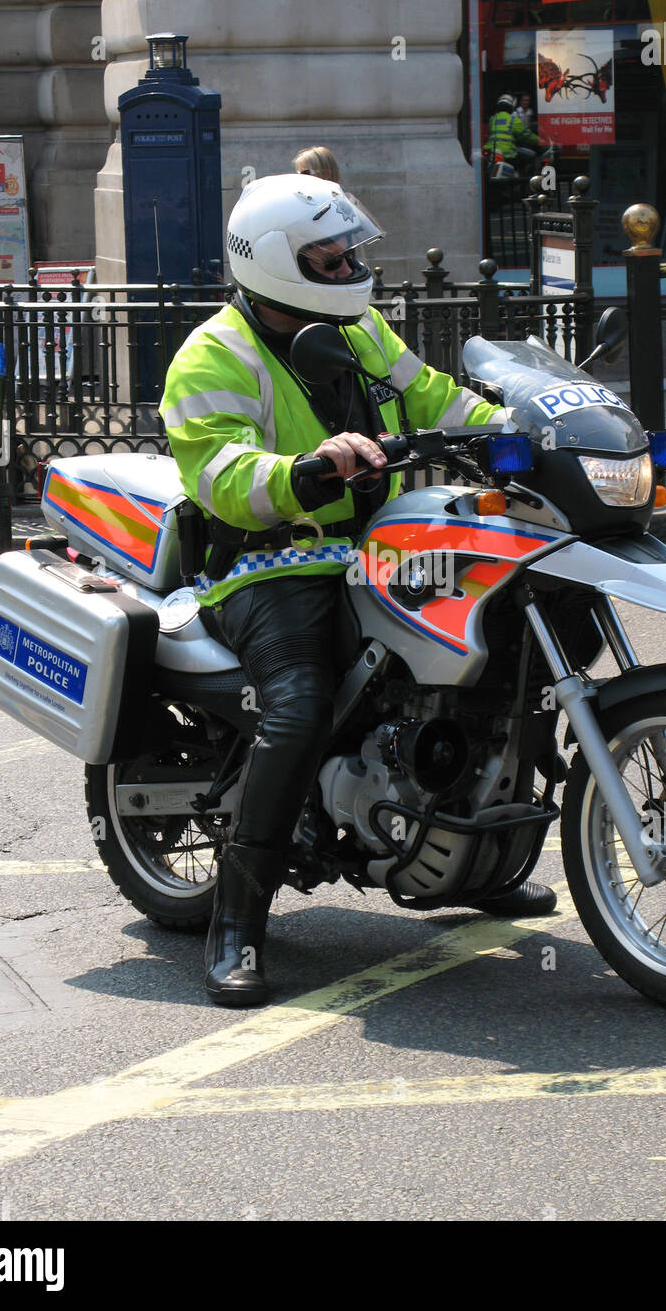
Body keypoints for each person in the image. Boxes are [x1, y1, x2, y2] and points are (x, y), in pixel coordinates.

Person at [161, 173, 557, 1008]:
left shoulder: (362, 328)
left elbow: (437, 398)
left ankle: (472, 850)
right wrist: (307, 468)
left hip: (375, 545)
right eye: (327, 258)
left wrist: (530, 425)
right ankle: (237, 919)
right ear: (271, 262)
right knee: (299, 704)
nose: (347, 269)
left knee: (500, 641)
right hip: (268, 562)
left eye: (349, 254)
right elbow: (222, 472)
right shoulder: (213, 354)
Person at [483, 93, 543, 174]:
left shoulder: (492, 119)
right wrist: (540, 141)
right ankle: (524, 181)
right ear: (511, 107)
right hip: (508, 154)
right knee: (531, 156)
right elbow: (527, 135)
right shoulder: (513, 120)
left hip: (492, 151)